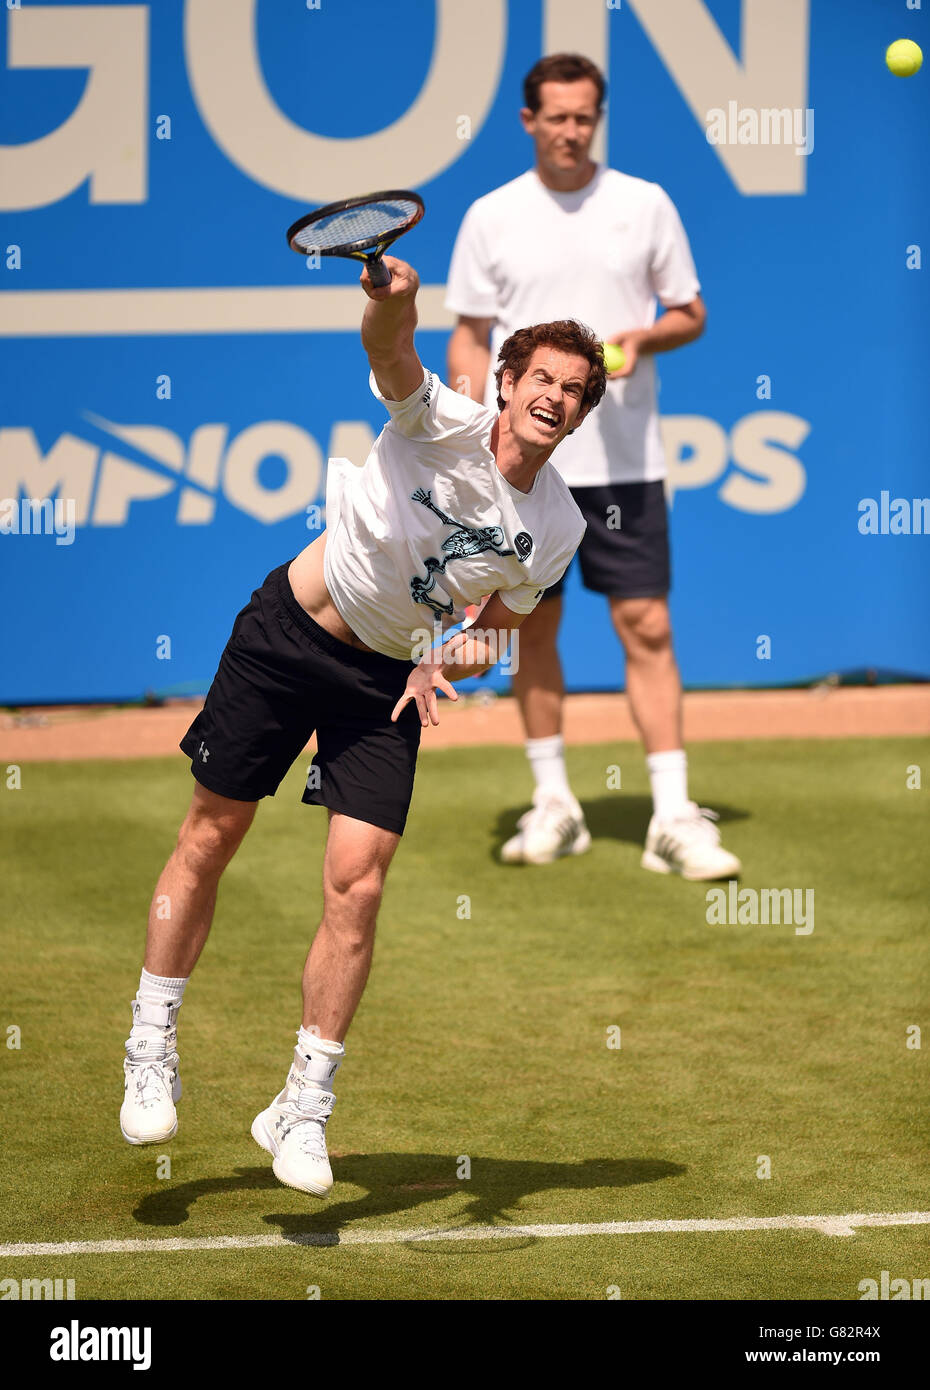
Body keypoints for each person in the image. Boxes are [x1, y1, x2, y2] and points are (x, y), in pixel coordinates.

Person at [119, 254, 607, 1196]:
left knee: (360, 886)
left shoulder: (558, 527)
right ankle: (151, 1042)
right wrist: (397, 301)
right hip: (289, 633)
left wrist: (440, 658)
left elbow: (502, 622)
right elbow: (391, 352)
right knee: (213, 833)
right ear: (505, 386)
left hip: (384, 685)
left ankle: (302, 1108)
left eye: (574, 391)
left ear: (583, 416)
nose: (555, 397)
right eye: (541, 378)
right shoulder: (439, 421)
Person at [446, 52, 741, 880]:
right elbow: (470, 333)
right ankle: (555, 805)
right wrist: (483, 418)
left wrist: (646, 337)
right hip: (525, 470)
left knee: (645, 625)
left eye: (585, 117)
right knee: (528, 627)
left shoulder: (644, 204)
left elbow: (690, 311)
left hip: (625, 461)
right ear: (529, 121)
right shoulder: (491, 216)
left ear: (595, 120)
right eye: (557, 116)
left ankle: (674, 817)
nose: (572, 131)